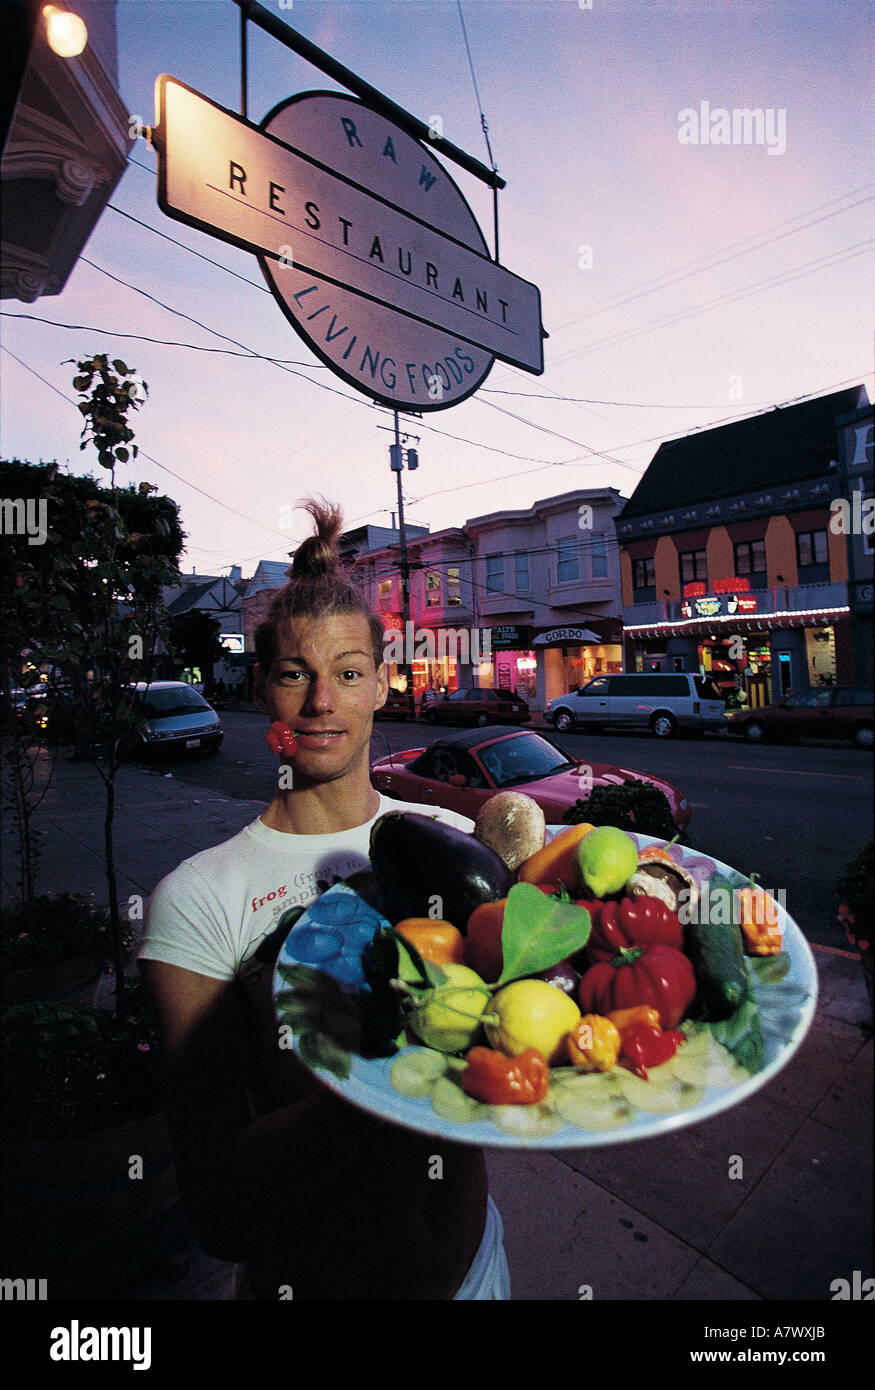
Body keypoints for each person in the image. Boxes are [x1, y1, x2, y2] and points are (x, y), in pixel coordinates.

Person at [139, 499, 509, 1301]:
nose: (320, 704)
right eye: (293, 675)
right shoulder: (197, 900)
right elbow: (220, 1216)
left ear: (380, 684)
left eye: (346, 673)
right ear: (264, 692)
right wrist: (383, 1072)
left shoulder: (451, 837)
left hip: (483, 1273)